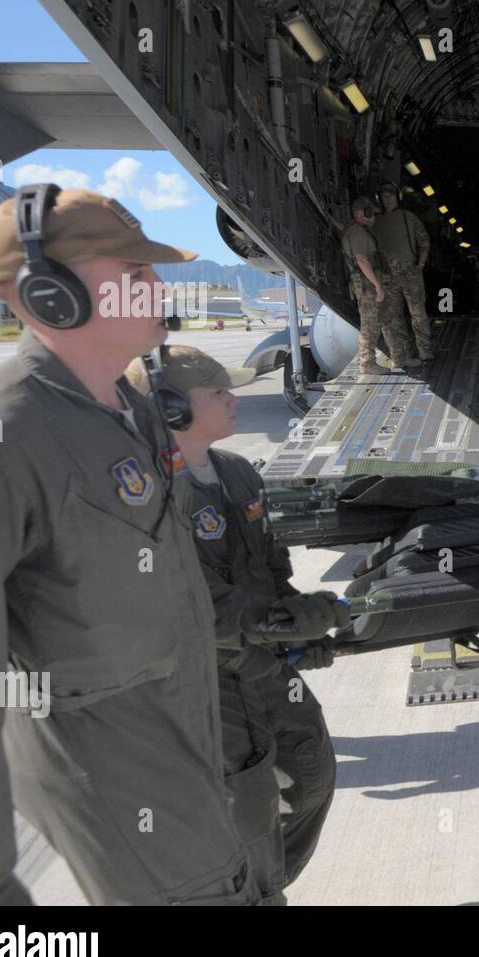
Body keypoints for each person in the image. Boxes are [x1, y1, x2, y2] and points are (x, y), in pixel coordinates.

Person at [0, 185, 259, 905]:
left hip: (180, 730)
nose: (158, 286)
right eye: (135, 273)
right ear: (50, 295)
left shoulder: (133, 413)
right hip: (110, 762)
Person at [124, 346, 343, 904]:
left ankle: (262, 882)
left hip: (264, 667)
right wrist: (280, 622)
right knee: (246, 810)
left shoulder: (239, 473)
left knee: (312, 778)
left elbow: (269, 571)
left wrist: (301, 627)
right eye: (219, 391)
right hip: (204, 686)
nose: (233, 399)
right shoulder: (142, 495)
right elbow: (184, 603)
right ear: (170, 410)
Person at [341, 195, 415, 375]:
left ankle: (400, 357)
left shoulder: (360, 230)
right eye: (370, 212)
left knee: (388, 319)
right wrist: (378, 287)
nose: (373, 216)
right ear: (361, 213)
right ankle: (367, 363)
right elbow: (362, 260)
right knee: (370, 325)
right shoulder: (357, 232)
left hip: (374, 282)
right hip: (368, 285)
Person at [374, 182, 435, 361]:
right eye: (384, 196)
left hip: (410, 272)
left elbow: (424, 241)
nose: (388, 199)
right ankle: (405, 353)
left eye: (391, 195)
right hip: (388, 276)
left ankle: (424, 349)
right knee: (395, 316)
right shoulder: (376, 222)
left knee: (418, 313)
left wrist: (421, 264)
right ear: (380, 199)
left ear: (398, 197)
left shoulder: (409, 218)